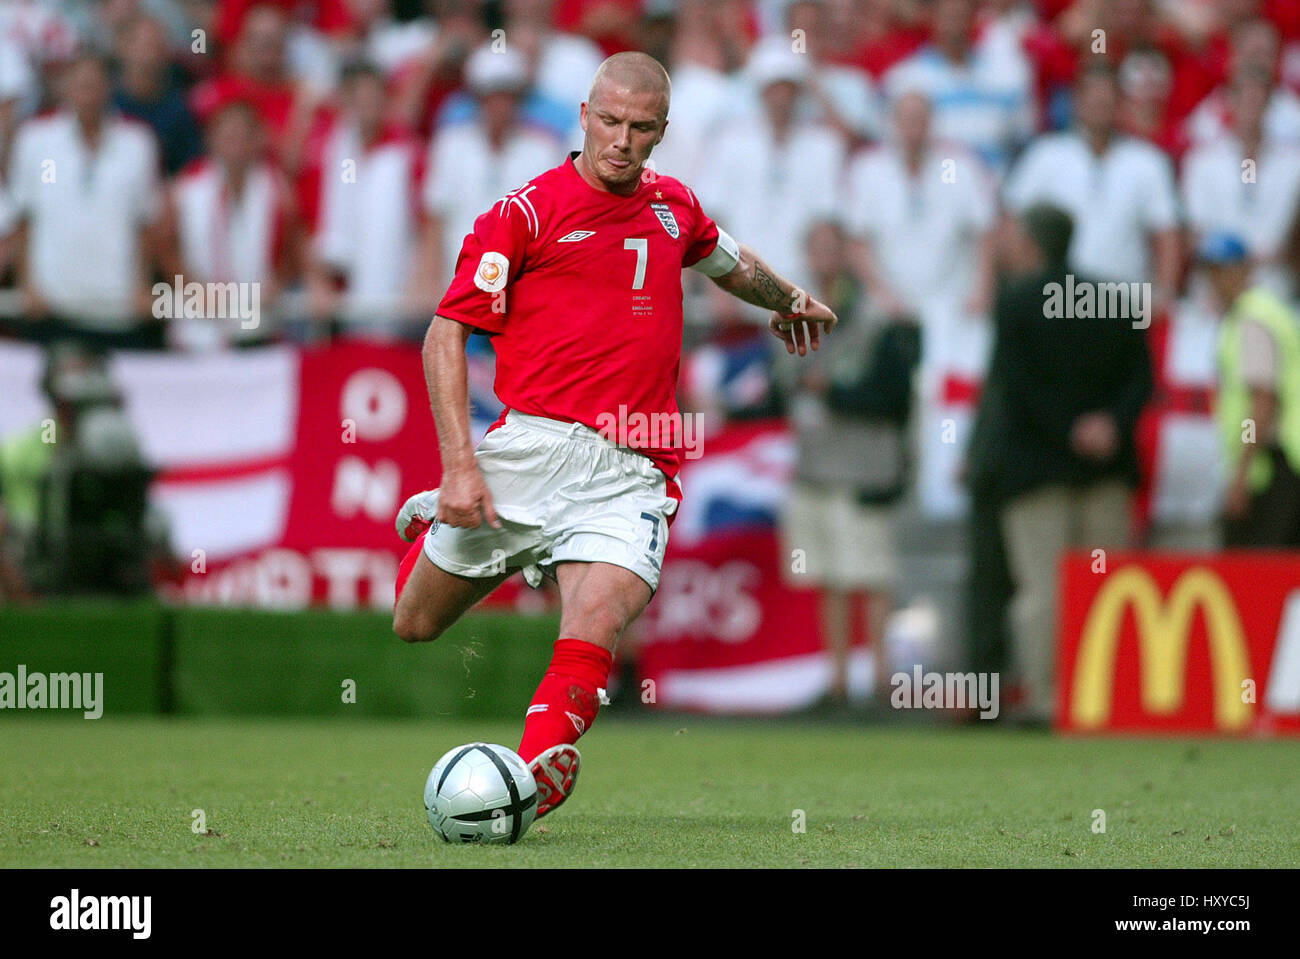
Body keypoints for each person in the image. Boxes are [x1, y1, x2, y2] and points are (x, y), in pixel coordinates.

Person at [391, 52, 837, 818]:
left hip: (631, 465)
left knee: (597, 618)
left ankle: (523, 786)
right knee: (415, 621)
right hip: (530, 451)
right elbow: (444, 334)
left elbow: (729, 264)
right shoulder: (524, 213)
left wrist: (787, 298)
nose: (622, 141)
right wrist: (461, 468)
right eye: (610, 122)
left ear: (662, 131)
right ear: (585, 116)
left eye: (640, 127)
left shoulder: (674, 207)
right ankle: (445, 507)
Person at [992, 203, 1153, 725]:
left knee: (1042, 589)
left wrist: (1068, 430)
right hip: (1105, 471)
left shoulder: (1015, 302)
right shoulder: (1115, 298)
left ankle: (1045, 698)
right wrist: (1107, 424)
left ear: (1034, 245)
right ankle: (1102, 697)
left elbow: (1015, 389)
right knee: (1107, 588)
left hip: (1038, 471)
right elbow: (1143, 380)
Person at [1201, 232, 1300, 548]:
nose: (1216, 279)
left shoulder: (1251, 319)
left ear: (1245, 270)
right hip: (1280, 461)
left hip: (1274, 465)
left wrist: (1240, 476)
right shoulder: (1265, 311)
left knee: (1255, 573)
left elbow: (1262, 402)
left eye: (1224, 269)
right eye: (1211, 270)